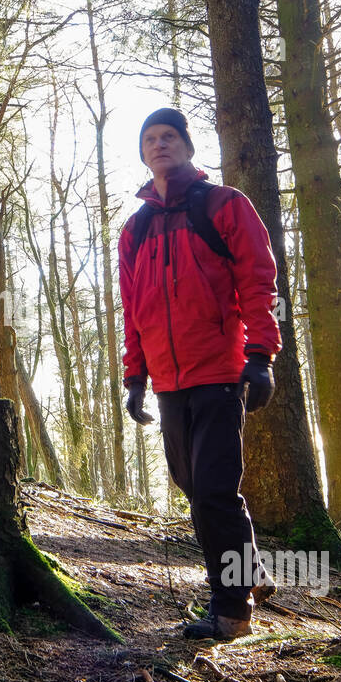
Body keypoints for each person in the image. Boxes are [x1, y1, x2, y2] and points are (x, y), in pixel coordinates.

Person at [117, 107, 282, 640]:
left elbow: (259, 282)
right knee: (194, 485)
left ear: (187, 147)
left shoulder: (224, 205)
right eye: (150, 139)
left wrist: (261, 357)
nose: (160, 145)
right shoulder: (135, 228)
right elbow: (133, 306)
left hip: (218, 370)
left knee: (212, 490)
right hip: (167, 379)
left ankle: (231, 612)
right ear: (143, 153)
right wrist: (135, 376)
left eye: (169, 137)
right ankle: (250, 569)